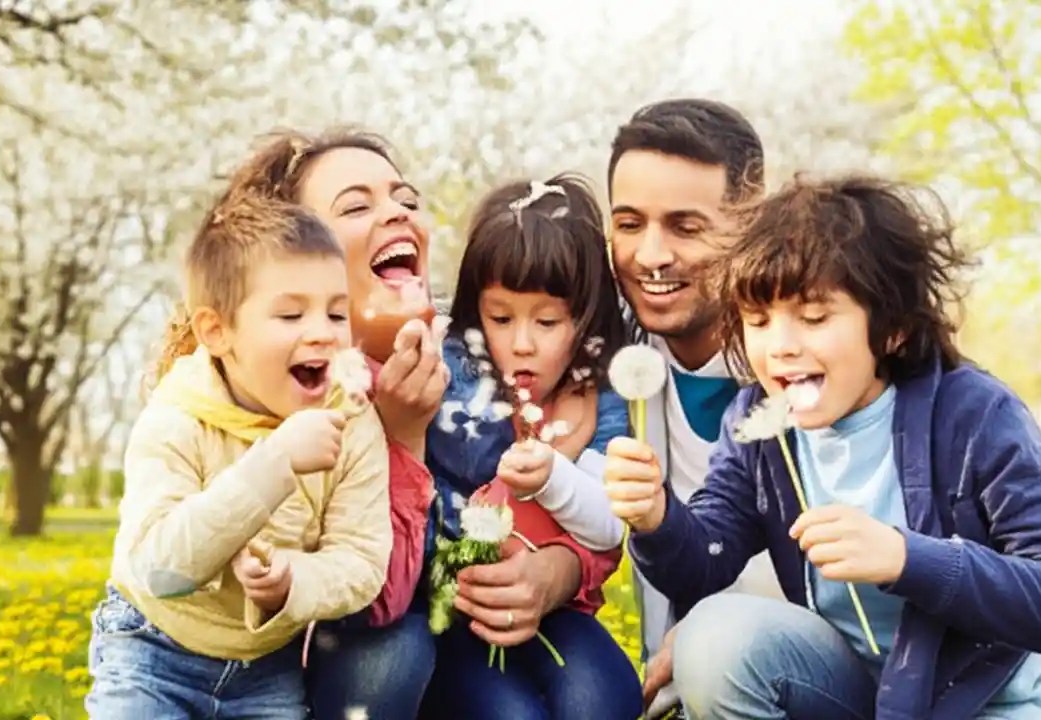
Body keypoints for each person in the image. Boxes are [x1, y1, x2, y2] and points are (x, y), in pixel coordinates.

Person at [605, 175, 1041, 719]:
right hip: (849, 692)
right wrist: (657, 517)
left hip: (980, 703)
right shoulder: (762, 425)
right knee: (715, 638)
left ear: (893, 327)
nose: (780, 347)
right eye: (758, 321)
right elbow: (703, 564)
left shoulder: (975, 415)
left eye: (813, 318)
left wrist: (908, 559)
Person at [85, 192, 391, 718]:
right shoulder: (176, 418)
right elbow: (160, 568)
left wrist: (291, 581)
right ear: (216, 331)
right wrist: (275, 463)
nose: (321, 331)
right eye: (291, 313)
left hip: (265, 669)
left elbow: (362, 560)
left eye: (337, 313)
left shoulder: (353, 422)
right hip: (153, 650)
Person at [224, 129, 447, 719]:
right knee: (393, 652)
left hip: (372, 637)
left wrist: (406, 433)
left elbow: (390, 595)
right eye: (357, 205)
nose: (398, 212)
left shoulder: (447, 369)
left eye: (406, 199)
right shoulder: (255, 385)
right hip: (243, 659)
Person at [421, 173, 641, 719]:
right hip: (447, 611)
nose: (520, 344)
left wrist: (551, 472)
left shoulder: (600, 399)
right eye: (500, 318)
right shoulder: (450, 371)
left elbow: (607, 526)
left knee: (604, 696)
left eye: (547, 321)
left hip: (552, 611)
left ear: (585, 318)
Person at [606, 98, 782, 714]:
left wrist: (721, 630)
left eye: (686, 226)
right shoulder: (603, 345)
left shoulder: (810, 357)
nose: (651, 255)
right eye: (629, 224)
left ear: (751, 223)